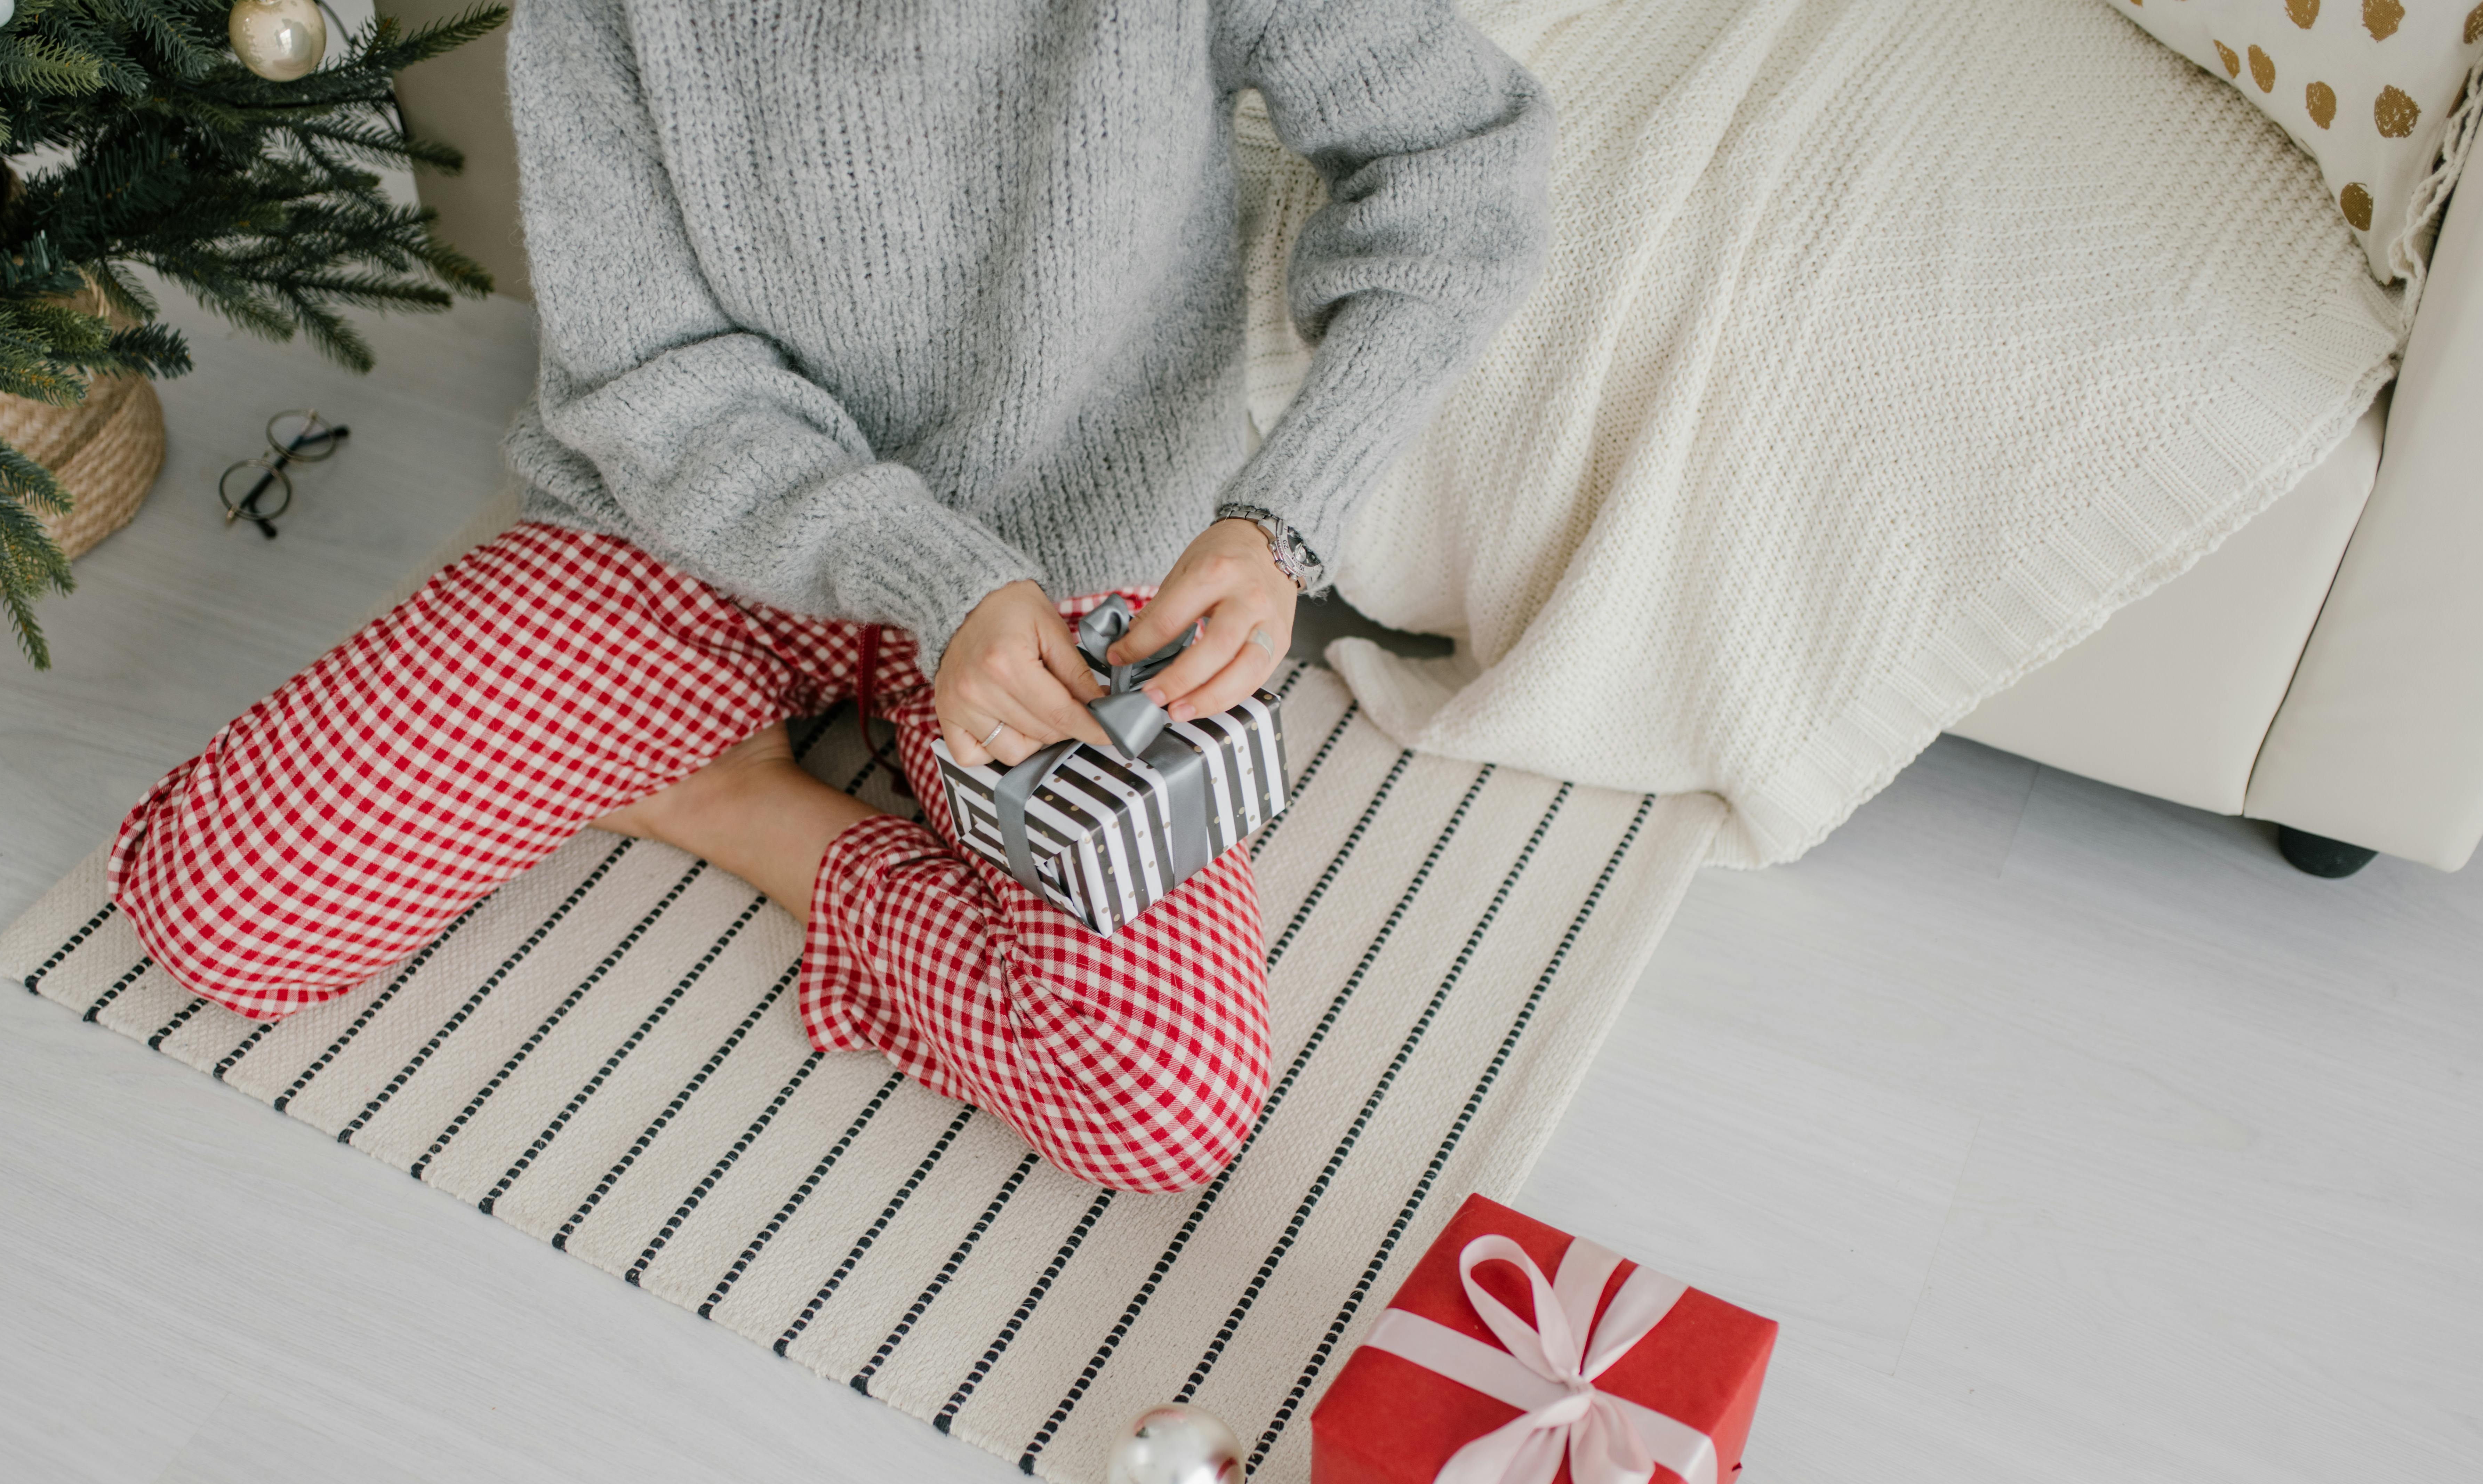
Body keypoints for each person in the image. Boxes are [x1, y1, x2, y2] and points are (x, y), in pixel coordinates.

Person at [109, 0, 1551, 1194]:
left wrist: (1276, 517)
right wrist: (924, 575)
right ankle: (727, 773)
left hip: (1070, 567)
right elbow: (648, 364)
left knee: (1157, 1102)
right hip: (706, 525)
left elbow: (1460, 165)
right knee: (222, 899)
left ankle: (730, 800)